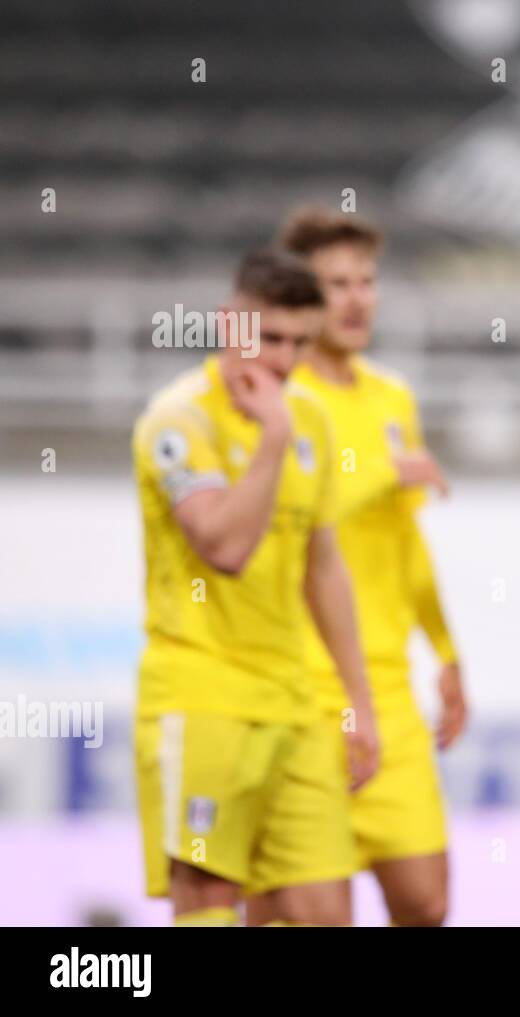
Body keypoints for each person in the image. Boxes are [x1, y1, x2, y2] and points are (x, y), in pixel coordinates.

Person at [132, 249, 378, 926]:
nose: (283, 358)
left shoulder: (313, 420)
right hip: (204, 698)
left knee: (325, 911)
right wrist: (272, 435)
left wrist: (359, 703)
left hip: (295, 703)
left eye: (300, 341)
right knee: (209, 906)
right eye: (269, 337)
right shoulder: (181, 422)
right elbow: (227, 546)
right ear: (228, 323)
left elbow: (322, 566)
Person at [257, 208, 466, 926]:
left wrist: (444, 649)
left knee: (426, 902)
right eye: (335, 284)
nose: (354, 298)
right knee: (307, 911)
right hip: (303, 688)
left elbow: (404, 540)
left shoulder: (390, 396)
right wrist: (383, 468)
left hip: (388, 687)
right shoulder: (276, 401)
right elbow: (289, 523)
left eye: (366, 282)